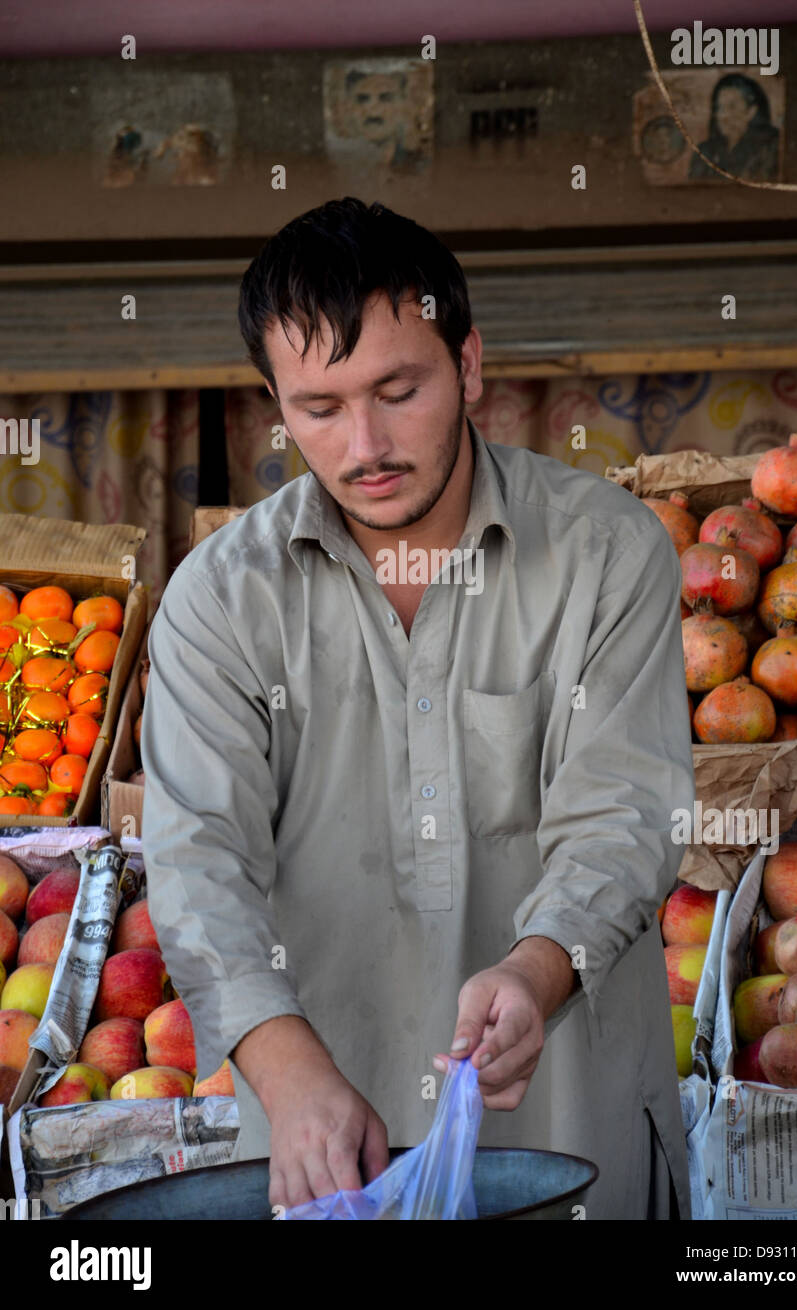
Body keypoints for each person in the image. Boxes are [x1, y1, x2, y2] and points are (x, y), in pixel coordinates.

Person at [140, 196, 696, 1219]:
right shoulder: (219, 598)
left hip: (576, 1132)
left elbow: (623, 813)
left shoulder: (605, 553)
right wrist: (282, 1061)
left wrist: (539, 971)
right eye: (319, 407)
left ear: (470, 367)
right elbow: (194, 860)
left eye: (400, 389)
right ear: (275, 404)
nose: (367, 443)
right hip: (328, 1157)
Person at [689, 73, 779, 181]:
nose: (723, 116)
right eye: (720, 108)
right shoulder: (705, 152)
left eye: (732, 107)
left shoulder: (770, 147)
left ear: (751, 112)